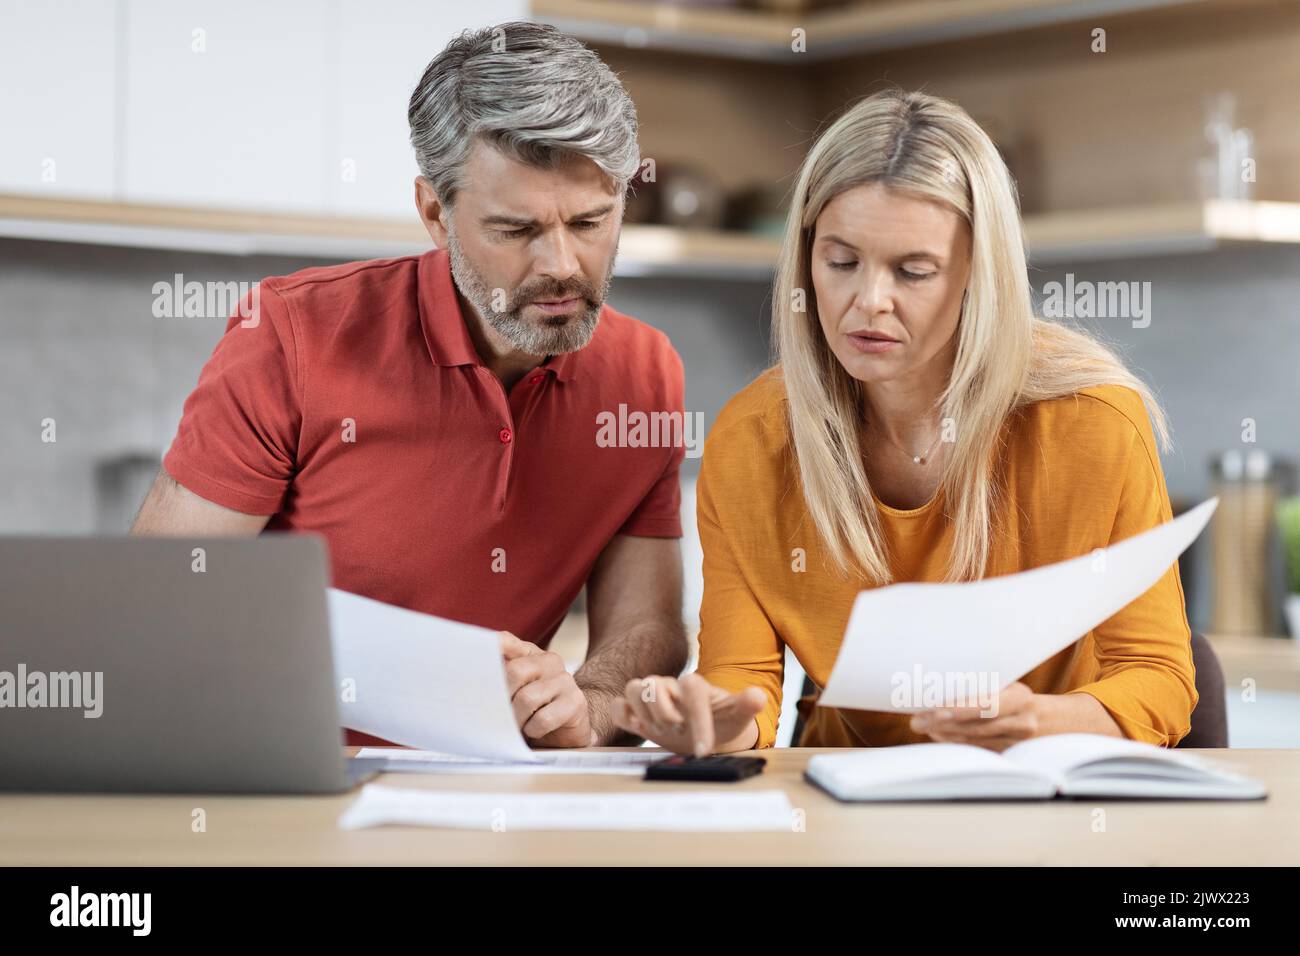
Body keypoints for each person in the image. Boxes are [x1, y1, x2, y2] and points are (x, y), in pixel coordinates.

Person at [132, 22, 688, 748]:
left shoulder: (644, 378)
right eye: (515, 230)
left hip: (484, 793)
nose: (563, 265)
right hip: (279, 777)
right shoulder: (291, 334)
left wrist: (588, 703)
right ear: (434, 213)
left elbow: (647, 630)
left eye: (591, 220)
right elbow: (158, 602)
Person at [613, 89, 1196, 756]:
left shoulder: (1090, 423)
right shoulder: (752, 441)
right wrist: (711, 723)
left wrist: (1034, 720)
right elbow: (744, 682)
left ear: (979, 274)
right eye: (840, 262)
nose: (869, 302)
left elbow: (1158, 680)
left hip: (1041, 796)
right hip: (844, 802)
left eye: (913, 271)